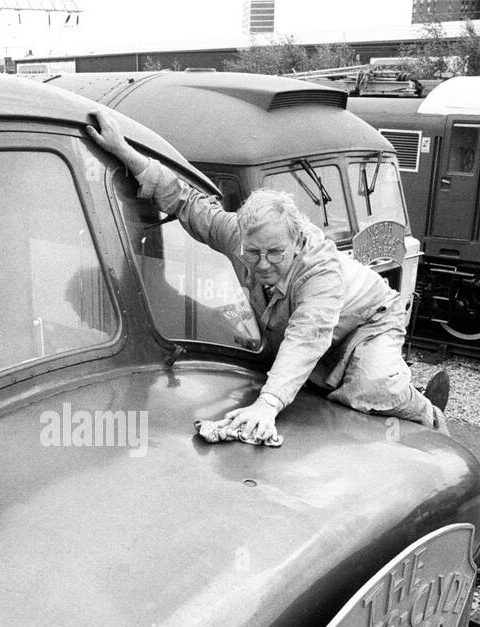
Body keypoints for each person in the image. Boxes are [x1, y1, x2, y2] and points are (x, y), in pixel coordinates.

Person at [84, 107, 449, 443]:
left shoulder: (320, 272)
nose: (260, 264)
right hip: (313, 327)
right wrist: (126, 153)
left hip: (369, 321)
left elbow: (307, 337)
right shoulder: (237, 233)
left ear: (297, 241)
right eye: (252, 252)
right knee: (295, 373)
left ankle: (428, 413)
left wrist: (268, 404)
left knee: (371, 388)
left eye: (274, 253)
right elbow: (187, 202)